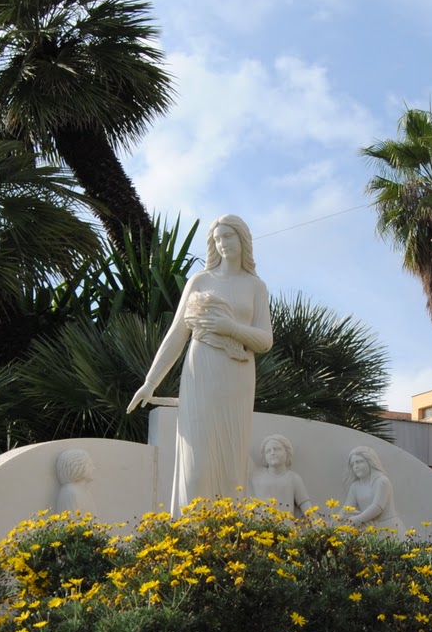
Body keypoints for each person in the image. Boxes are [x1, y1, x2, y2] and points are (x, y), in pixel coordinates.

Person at [128, 215, 273, 512]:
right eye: (217, 239)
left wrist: (229, 327)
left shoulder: (255, 286)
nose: (222, 244)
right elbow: (176, 335)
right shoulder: (200, 281)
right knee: (197, 465)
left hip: (237, 375)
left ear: (242, 240)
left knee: (233, 464)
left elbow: (264, 340)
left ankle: (229, 537)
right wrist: (150, 382)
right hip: (201, 371)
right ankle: (189, 534)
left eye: (228, 237)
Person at [342, 446, 403, 532]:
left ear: (370, 462)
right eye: (353, 464)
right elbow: (347, 507)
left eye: (359, 462)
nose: (355, 467)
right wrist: (336, 519)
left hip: (389, 529)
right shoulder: (355, 486)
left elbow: (377, 507)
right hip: (370, 530)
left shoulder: (382, 481)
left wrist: (358, 519)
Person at [249, 434, 312, 516]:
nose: (272, 453)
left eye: (276, 449)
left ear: (287, 452)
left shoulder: (293, 478)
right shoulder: (257, 475)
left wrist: (318, 526)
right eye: (268, 451)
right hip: (260, 527)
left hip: (286, 527)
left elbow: (305, 504)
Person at [53, 448, 95, 515]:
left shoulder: (85, 491)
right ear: (78, 467)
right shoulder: (70, 491)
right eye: (89, 465)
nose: (93, 468)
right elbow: (73, 521)